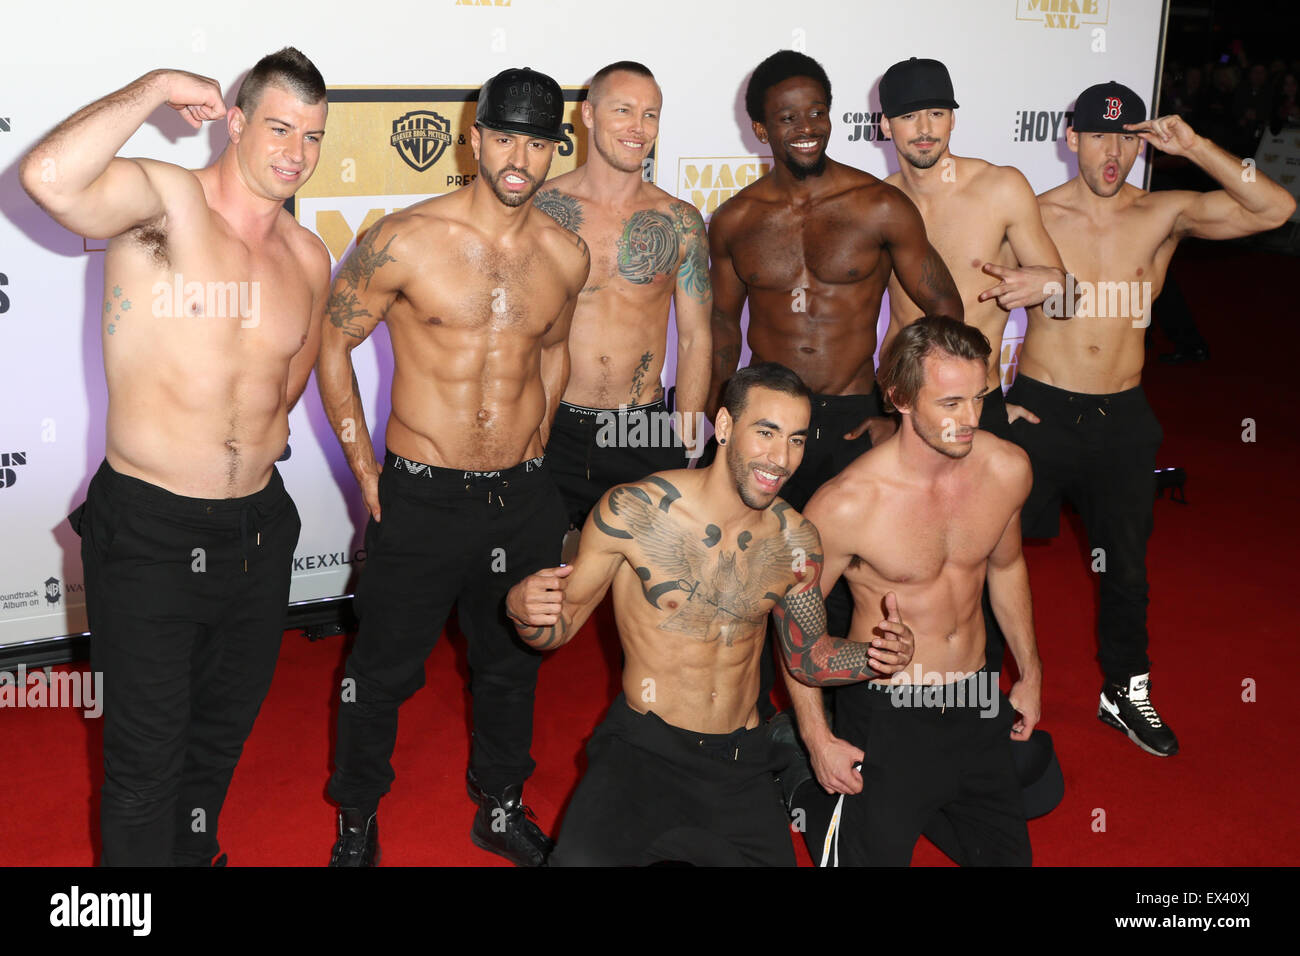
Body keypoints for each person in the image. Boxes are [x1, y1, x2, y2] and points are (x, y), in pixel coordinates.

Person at [19, 49, 331, 866]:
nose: (294, 151)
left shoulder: (307, 259)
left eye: (312, 135)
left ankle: (192, 856)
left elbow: (284, 390)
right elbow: (50, 177)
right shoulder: (167, 203)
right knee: (141, 763)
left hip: (259, 533)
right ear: (235, 121)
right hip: (152, 531)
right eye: (277, 126)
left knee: (218, 737)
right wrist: (156, 87)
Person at [318, 67, 590, 866]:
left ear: (552, 151)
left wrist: (536, 446)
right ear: (475, 139)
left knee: (511, 665)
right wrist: (364, 465)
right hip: (423, 493)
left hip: (520, 496)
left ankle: (499, 807)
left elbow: (554, 350)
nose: (519, 156)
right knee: (381, 670)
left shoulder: (566, 255)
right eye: (504, 136)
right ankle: (358, 815)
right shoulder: (402, 238)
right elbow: (334, 342)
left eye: (537, 142)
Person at [504, 363, 916, 866]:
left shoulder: (795, 541)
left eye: (796, 440)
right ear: (723, 427)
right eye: (766, 433)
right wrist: (524, 610)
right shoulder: (634, 512)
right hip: (643, 751)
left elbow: (809, 659)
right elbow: (554, 631)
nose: (781, 458)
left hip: (739, 761)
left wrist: (877, 656)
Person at [1009, 82, 1295, 756]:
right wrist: (996, 403)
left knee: (1127, 568)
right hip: (1039, 410)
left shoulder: (1165, 212)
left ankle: (1124, 690)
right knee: (991, 556)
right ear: (1070, 138)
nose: (1113, 152)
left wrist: (1194, 146)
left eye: (1126, 137)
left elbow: (1277, 207)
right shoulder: (1033, 215)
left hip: (1124, 416)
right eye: (1099, 136)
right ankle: (983, 692)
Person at [708, 50, 963, 717]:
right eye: (786, 116)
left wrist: (898, 410)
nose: (805, 127)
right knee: (765, 581)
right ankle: (774, 732)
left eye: (816, 111)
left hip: (856, 416)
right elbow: (723, 333)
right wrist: (719, 429)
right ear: (759, 129)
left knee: (855, 586)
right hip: (770, 429)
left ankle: (855, 729)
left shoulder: (880, 205)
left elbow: (945, 313)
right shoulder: (735, 221)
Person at [781, 316, 1042, 866]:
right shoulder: (845, 504)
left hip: (974, 699)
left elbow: (1008, 566)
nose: (968, 421)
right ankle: (798, 782)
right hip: (886, 709)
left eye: (979, 398)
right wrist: (818, 739)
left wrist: (1031, 672)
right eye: (949, 404)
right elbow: (795, 632)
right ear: (898, 397)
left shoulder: (1007, 468)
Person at [532, 61, 710, 531]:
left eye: (650, 114)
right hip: (551, 421)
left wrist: (688, 438)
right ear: (588, 116)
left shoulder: (680, 221)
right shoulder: (539, 210)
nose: (639, 127)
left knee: (645, 592)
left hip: (643, 427)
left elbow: (694, 338)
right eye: (624, 111)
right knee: (543, 581)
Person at [875, 57, 1065, 442]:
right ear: (885, 124)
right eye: (910, 116)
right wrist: (878, 407)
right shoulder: (879, 202)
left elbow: (1068, 303)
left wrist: (1052, 286)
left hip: (975, 404)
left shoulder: (1001, 189)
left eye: (937, 113)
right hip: (902, 406)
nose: (925, 129)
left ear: (952, 120)